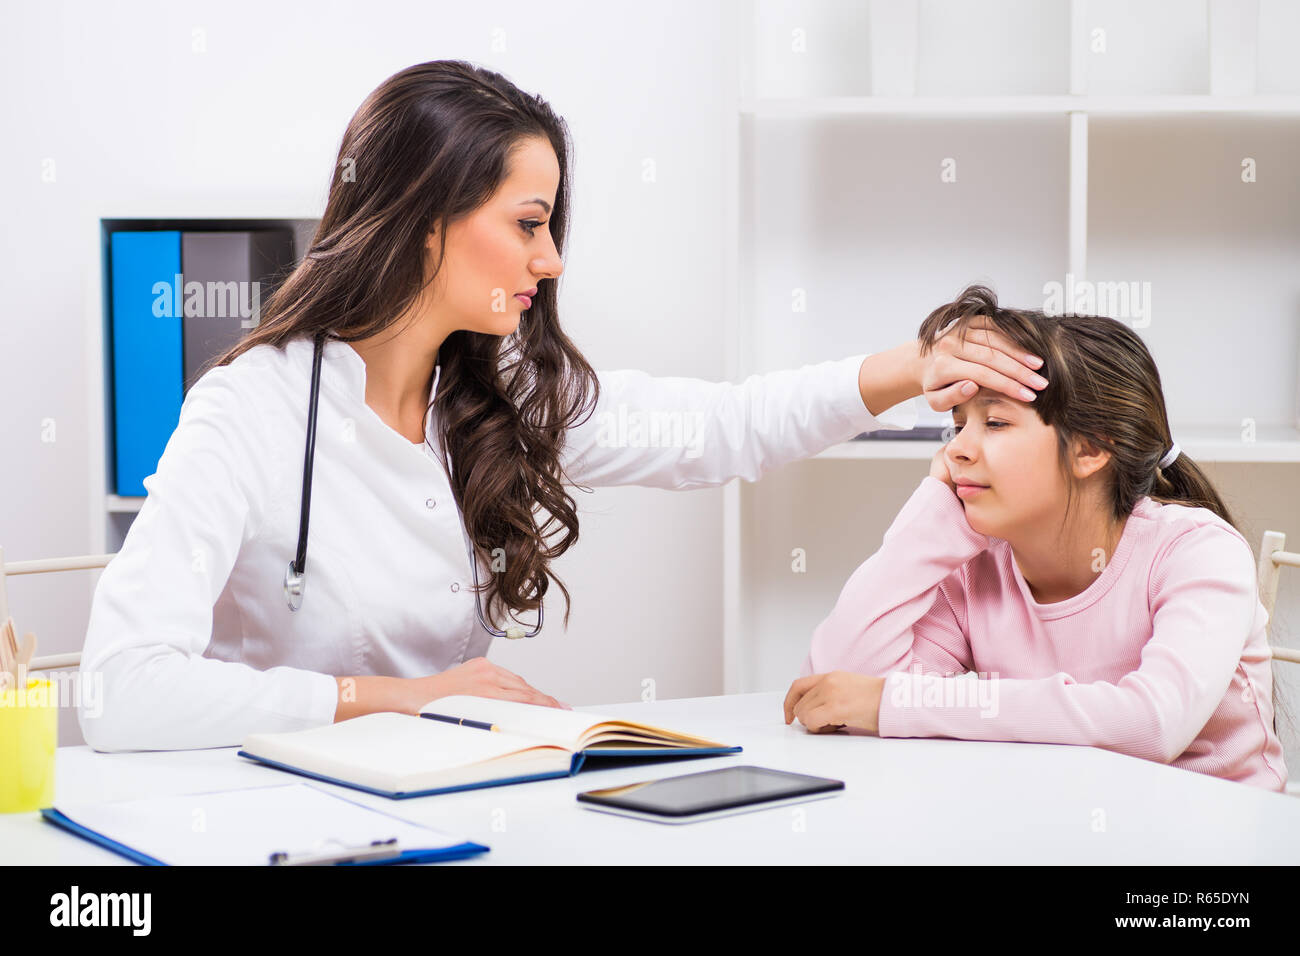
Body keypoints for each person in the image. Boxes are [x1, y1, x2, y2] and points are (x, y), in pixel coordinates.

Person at [78, 63, 1047, 752]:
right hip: (275, 813)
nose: (550, 259)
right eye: (529, 224)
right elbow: (121, 691)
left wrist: (913, 365)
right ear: (423, 222)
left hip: (449, 789)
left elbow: (722, 426)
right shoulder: (252, 409)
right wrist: (395, 698)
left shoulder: (498, 393)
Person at [785, 283, 1288, 791]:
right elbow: (836, 690)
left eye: (996, 422)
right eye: (957, 426)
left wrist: (897, 703)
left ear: (1090, 449)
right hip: (1062, 828)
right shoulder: (976, 567)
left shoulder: (1199, 553)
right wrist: (931, 521)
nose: (957, 450)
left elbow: (1151, 724)